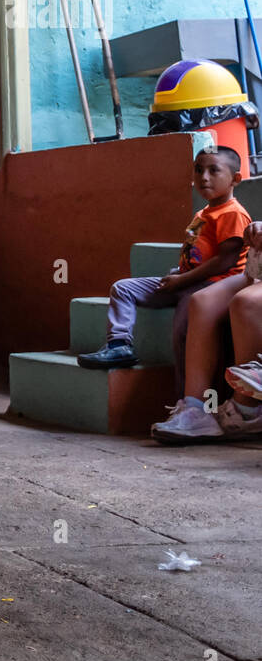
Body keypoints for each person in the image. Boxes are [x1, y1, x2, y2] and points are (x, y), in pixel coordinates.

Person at [77, 148, 249, 410]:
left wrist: (183, 281)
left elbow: (224, 261)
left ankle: (188, 403)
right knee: (123, 289)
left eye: (214, 171)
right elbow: (196, 252)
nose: (204, 177)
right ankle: (119, 344)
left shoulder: (232, 213)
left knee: (183, 334)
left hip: (212, 287)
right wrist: (179, 273)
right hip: (185, 280)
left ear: (235, 179)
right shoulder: (202, 214)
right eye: (198, 169)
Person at [152, 219, 262, 443]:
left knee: (245, 303)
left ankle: (245, 411)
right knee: (202, 302)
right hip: (256, 269)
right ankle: (197, 410)